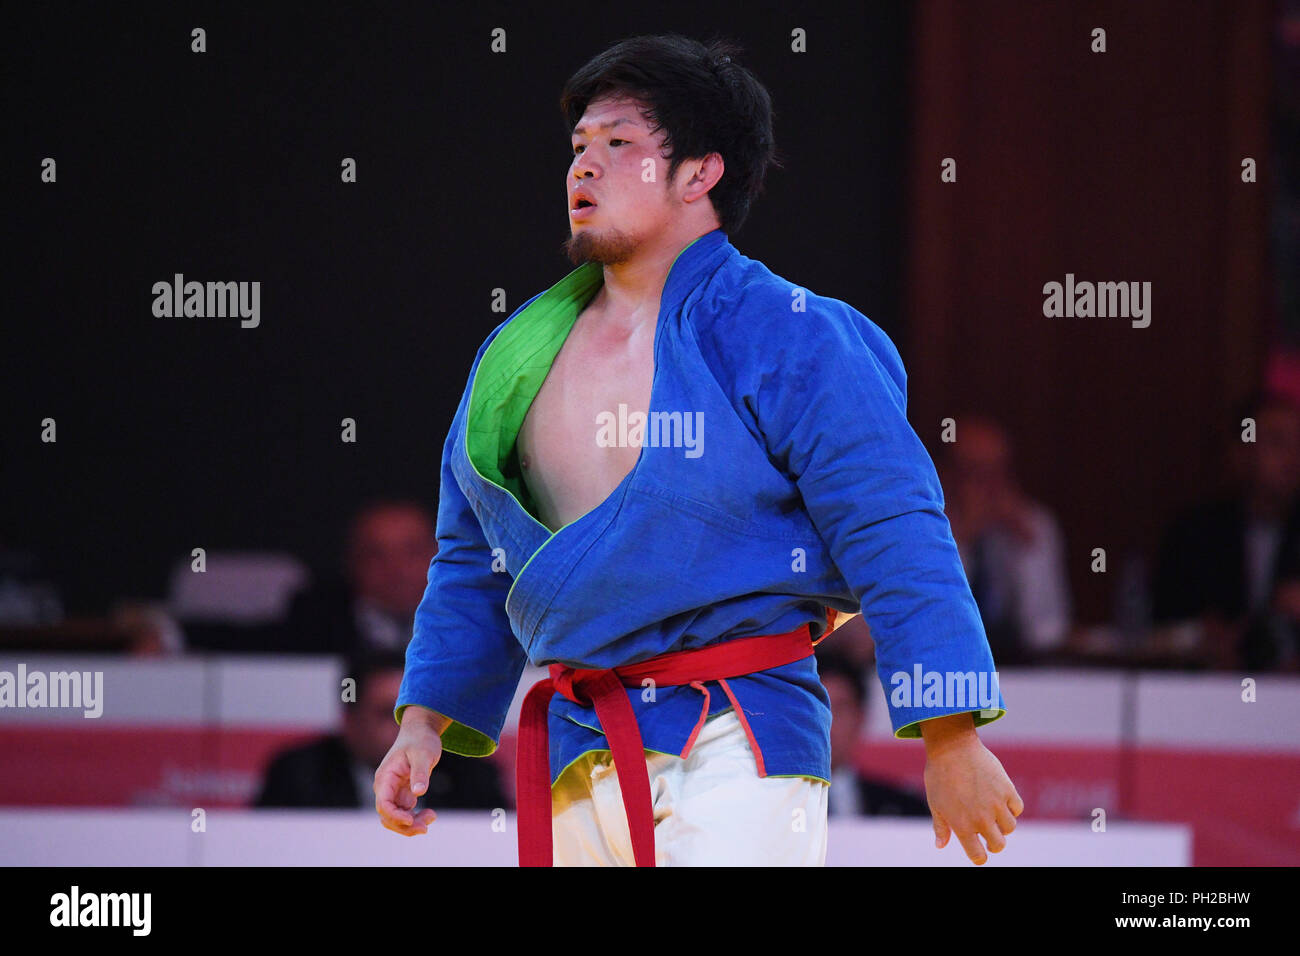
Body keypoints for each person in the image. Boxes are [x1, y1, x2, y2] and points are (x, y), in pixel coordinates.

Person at [376, 34, 1021, 867]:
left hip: (738, 728)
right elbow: (476, 556)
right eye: (578, 148)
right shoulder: (517, 356)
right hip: (578, 737)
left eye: (618, 146)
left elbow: (892, 523)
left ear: (698, 173)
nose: (583, 167)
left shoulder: (789, 333)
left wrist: (951, 732)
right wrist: (424, 722)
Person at [1152, 392, 1300, 669]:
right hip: (1206, 693)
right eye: (1277, 443)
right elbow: (1161, 628)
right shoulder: (1194, 533)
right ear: (1241, 452)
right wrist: (1202, 636)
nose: (1292, 458)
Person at [256, 651, 505, 810]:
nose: (406, 729)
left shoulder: (473, 777)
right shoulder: (299, 775)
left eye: (414, 714)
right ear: (350, 721)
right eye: (389, 713)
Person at [937, 415, 1073, 664]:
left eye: (996, 472)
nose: (988, 487)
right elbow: (938, 624)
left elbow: (1048, 632)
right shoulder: (927, 529)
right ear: (948, 475)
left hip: (1027, 678)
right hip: (946, 673)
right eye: (975, 473)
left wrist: (1027, 547)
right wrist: (964, 538)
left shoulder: (1035, 525)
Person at [281, 500, 438, 657]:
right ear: (351, 561)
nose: (397, 569)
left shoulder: (461, 624)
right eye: (376, 555)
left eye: (413, 552)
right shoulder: (306, 632)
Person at [819, 651, 930, 817]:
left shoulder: (907, 810)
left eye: (840, 708)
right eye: (816, 708)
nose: (828, 723)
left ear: (860, 718)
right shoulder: (768, 806)